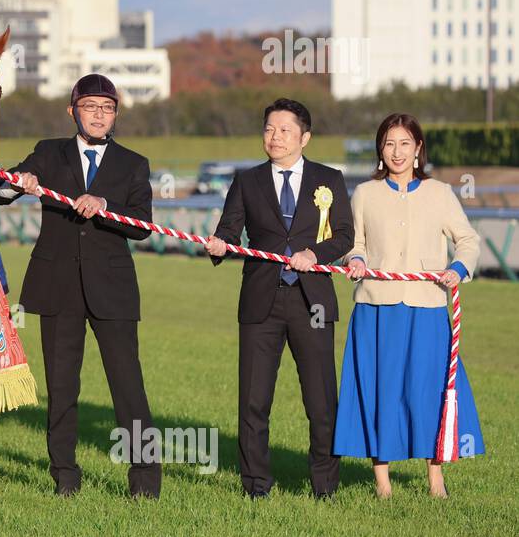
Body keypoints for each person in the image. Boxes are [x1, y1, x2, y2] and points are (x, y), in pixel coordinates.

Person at [0, 73, 161, 499]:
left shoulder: (133, 164)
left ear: (116, 114)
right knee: (62, 388)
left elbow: (142, 226)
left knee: (129, 388)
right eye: (90, 107)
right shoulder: (49, 153)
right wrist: (16, 184)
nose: (99, 115)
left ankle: (144, 483)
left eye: (107, 108)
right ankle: (65, 476)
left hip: (113, 291)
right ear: (72, 111)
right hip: (57, 287)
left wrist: (105, 206)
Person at [205, 98, 354, 499]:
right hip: (260, 300)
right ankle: (256, 485)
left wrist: (314, 255)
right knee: (254, 401)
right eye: (269, 129)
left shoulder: (330, 179)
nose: (275, 137)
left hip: (314, 303)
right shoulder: (247, 181)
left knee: (322, 402)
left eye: (285, 130)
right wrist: (221, 246)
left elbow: (343, 235)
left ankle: (325, 485)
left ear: (304, 137)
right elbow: (230, 232)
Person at [333, 113, 482, 497]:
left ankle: (436, 478)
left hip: (427, 309)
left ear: (418, 149)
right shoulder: (364, 193)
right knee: (379, 388)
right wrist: (356, 260)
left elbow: (467, 240)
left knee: (430, 391)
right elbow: (355, 242)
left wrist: (457, 268)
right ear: (380, 150)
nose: (397, 152)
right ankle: (382, 482)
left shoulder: (440, 193)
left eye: (404, 144)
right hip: (376, 309)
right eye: (388, 143)